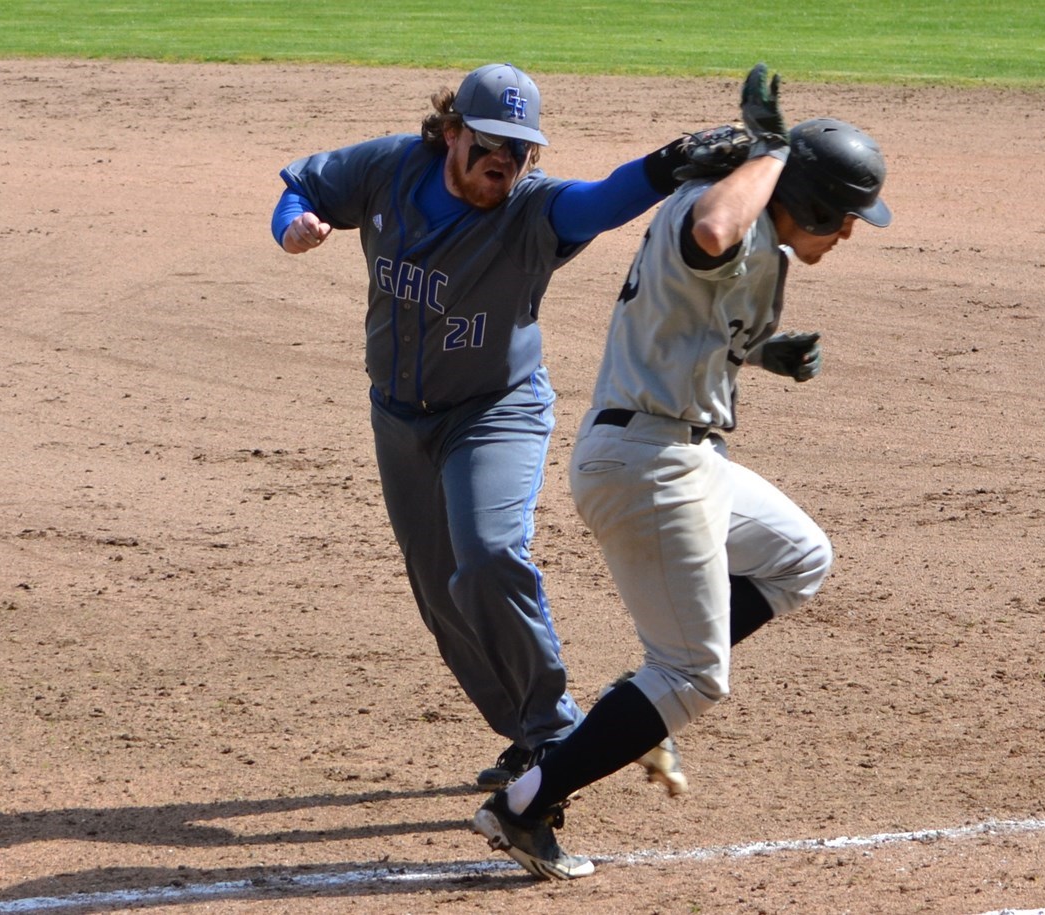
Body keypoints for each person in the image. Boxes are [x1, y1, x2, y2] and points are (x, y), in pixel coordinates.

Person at [469, 63, 891, 880]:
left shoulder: (757, 238)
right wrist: (771, 147)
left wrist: (763, 352)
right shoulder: (731, 219)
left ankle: (642, 703)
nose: (847, 235)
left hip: (679, 453)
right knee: (695, 673)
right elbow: (707, 235)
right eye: (845, 219)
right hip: (650, 462)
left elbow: (689, 311)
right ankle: (525, 803)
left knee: (799, 553)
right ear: (808, 199)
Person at [272, 63, 740, 796]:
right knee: (442, 594)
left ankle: (558, 733)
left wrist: (666, 164)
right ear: (451, 132)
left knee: (488, 556)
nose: (504, 161)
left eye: (519, 150)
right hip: (397, 417)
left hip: (494, 411)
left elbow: (603, 200)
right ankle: (528, 734)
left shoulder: (531, 212)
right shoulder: (392, 169)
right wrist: (291, 225)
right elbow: (304, 186)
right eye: (489, 142)